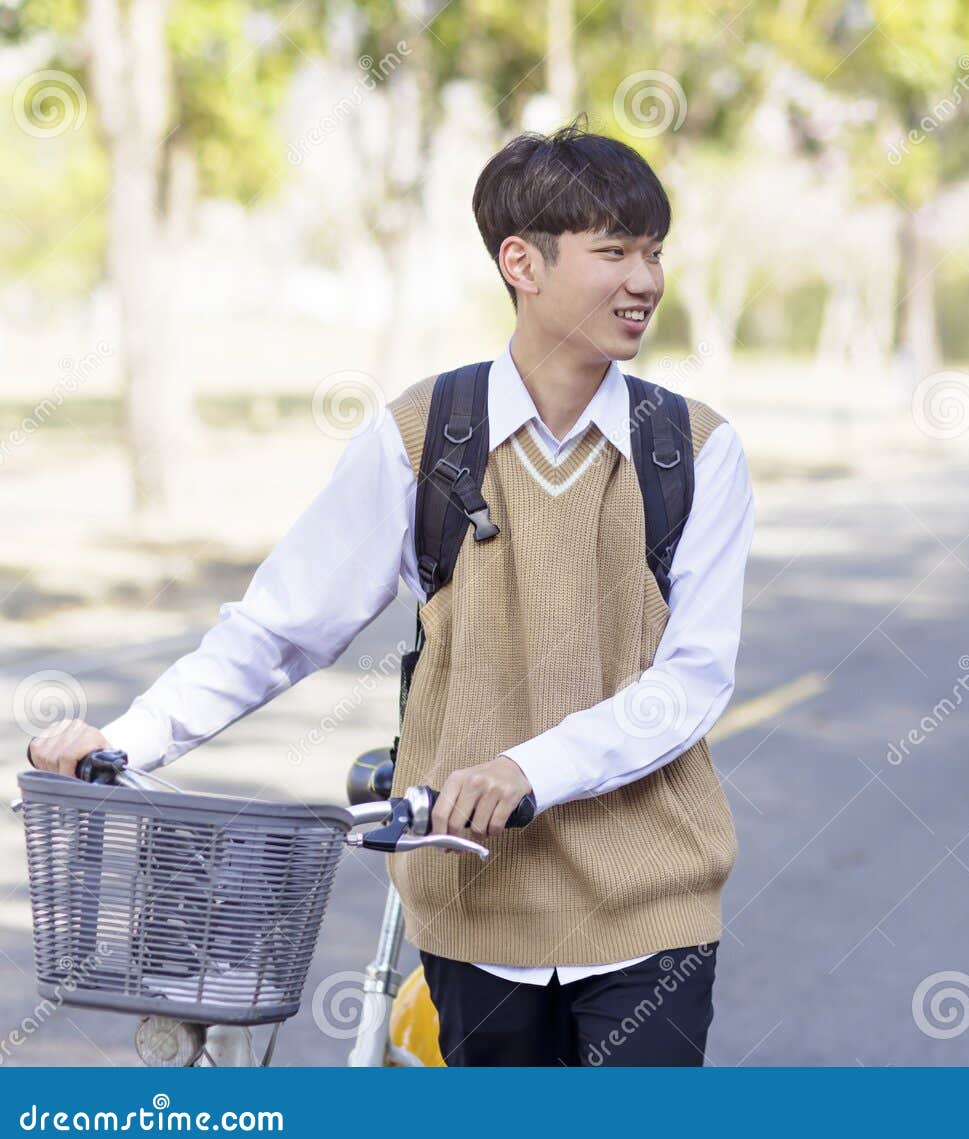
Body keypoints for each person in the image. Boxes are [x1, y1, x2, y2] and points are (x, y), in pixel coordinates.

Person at [27, 120, 756, 1067]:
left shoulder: (692, 450)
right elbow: (280, 628)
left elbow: (691, 679)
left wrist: (527, 768)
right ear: (522, 263)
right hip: (474, 910)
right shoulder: (422, 436)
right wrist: (125, 739)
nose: (646, 279)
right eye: (614, 251)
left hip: (650, 913)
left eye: (653, 251)